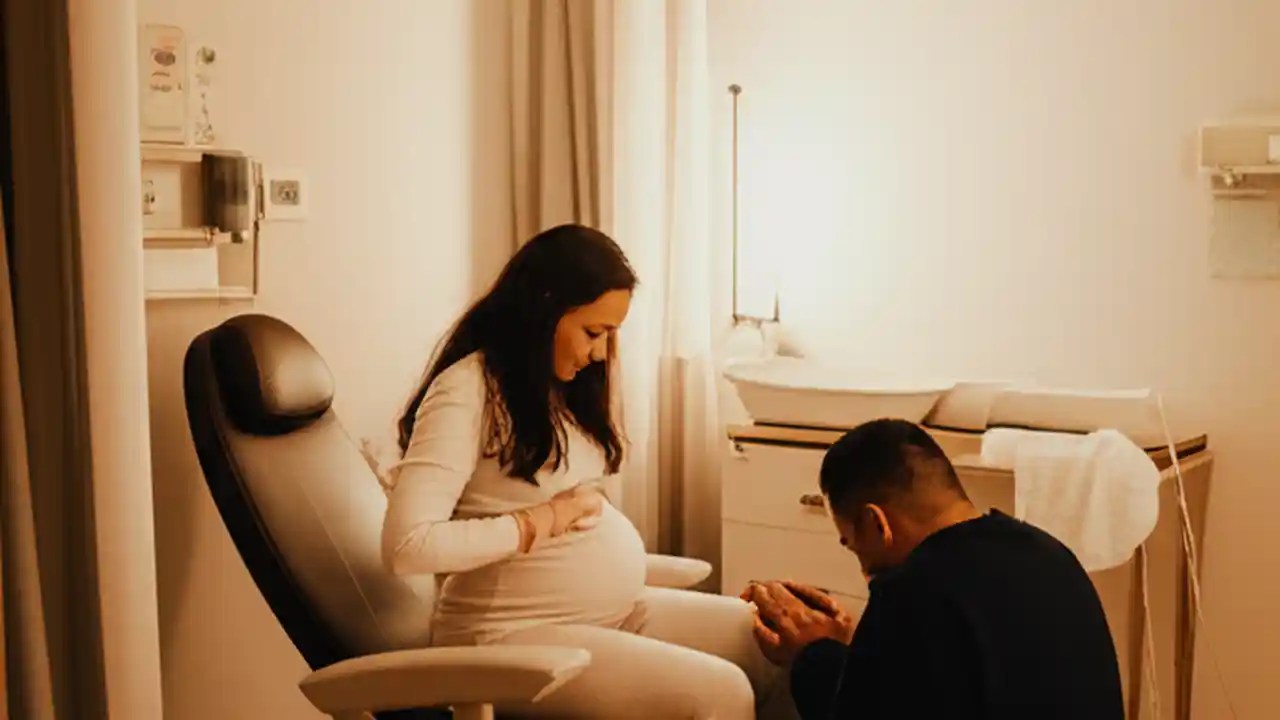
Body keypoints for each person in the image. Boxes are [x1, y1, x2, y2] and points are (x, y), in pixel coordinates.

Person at [381, 223, 794, 719]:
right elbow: (408, 547)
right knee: (721, 694)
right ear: (545, 307)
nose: (599, 352)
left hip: (609, 613)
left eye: (610, 335)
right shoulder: (465, 391)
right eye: (593, 332)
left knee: (781, 645)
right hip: (504, 638)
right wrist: (543, 520)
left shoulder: (555, 386)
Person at [743, 418, 1124, 720]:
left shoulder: (912, 591)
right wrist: (853, 653)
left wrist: (809, 654)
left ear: (877, 523)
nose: (861, 565)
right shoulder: (1051, 555)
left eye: (852, 543)